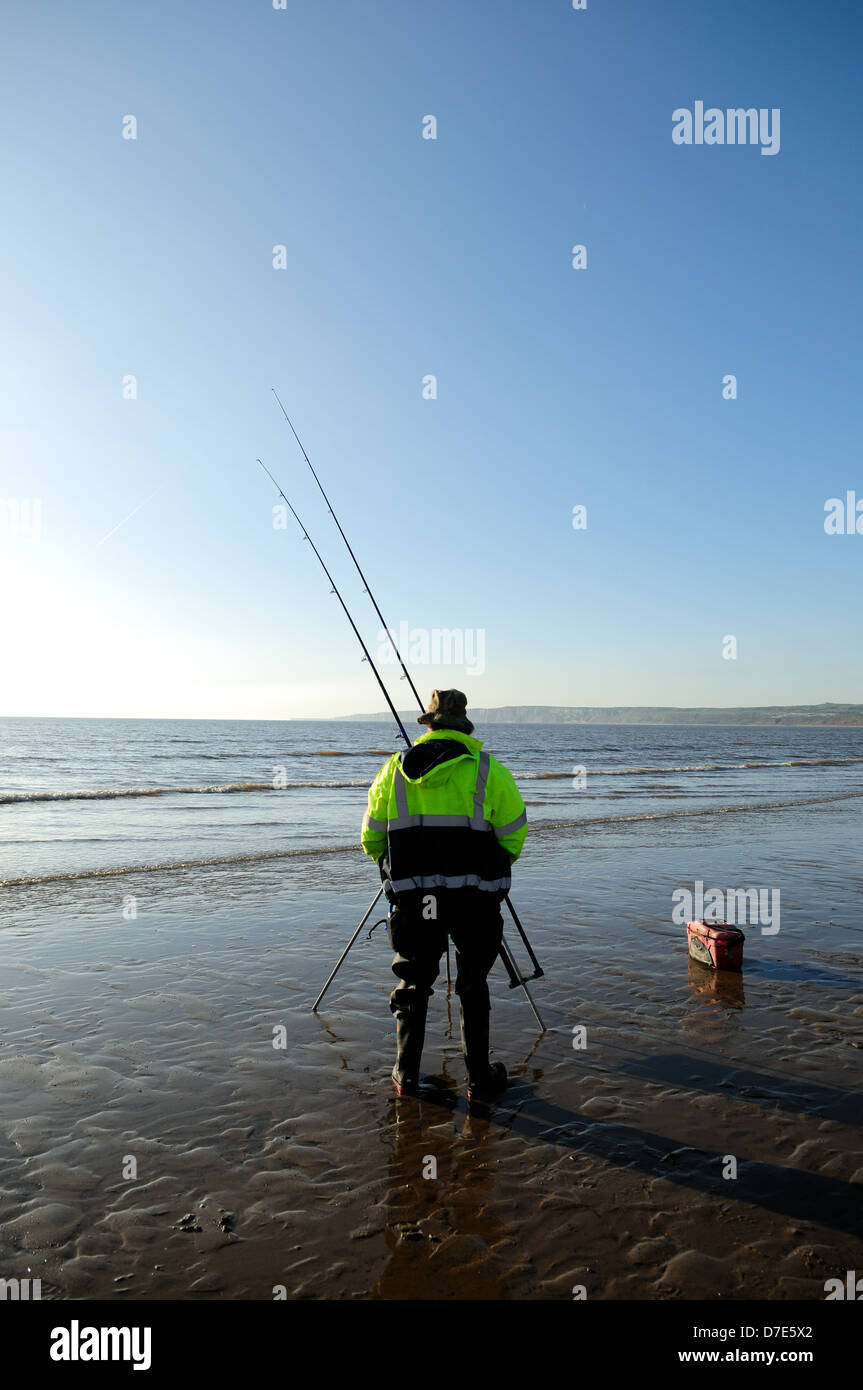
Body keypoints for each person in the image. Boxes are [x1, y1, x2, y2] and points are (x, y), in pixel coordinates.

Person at [361, 690, 528, 1102]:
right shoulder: (490, 771)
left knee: (414, 982)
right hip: (475, 899)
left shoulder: (392, 772)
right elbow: (514, 838)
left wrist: (401, 867)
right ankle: (478, 1080)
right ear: (464, 726)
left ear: (429, 725)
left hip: (416, 900)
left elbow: (370, 839)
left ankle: (406, 1075)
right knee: (473, 984)